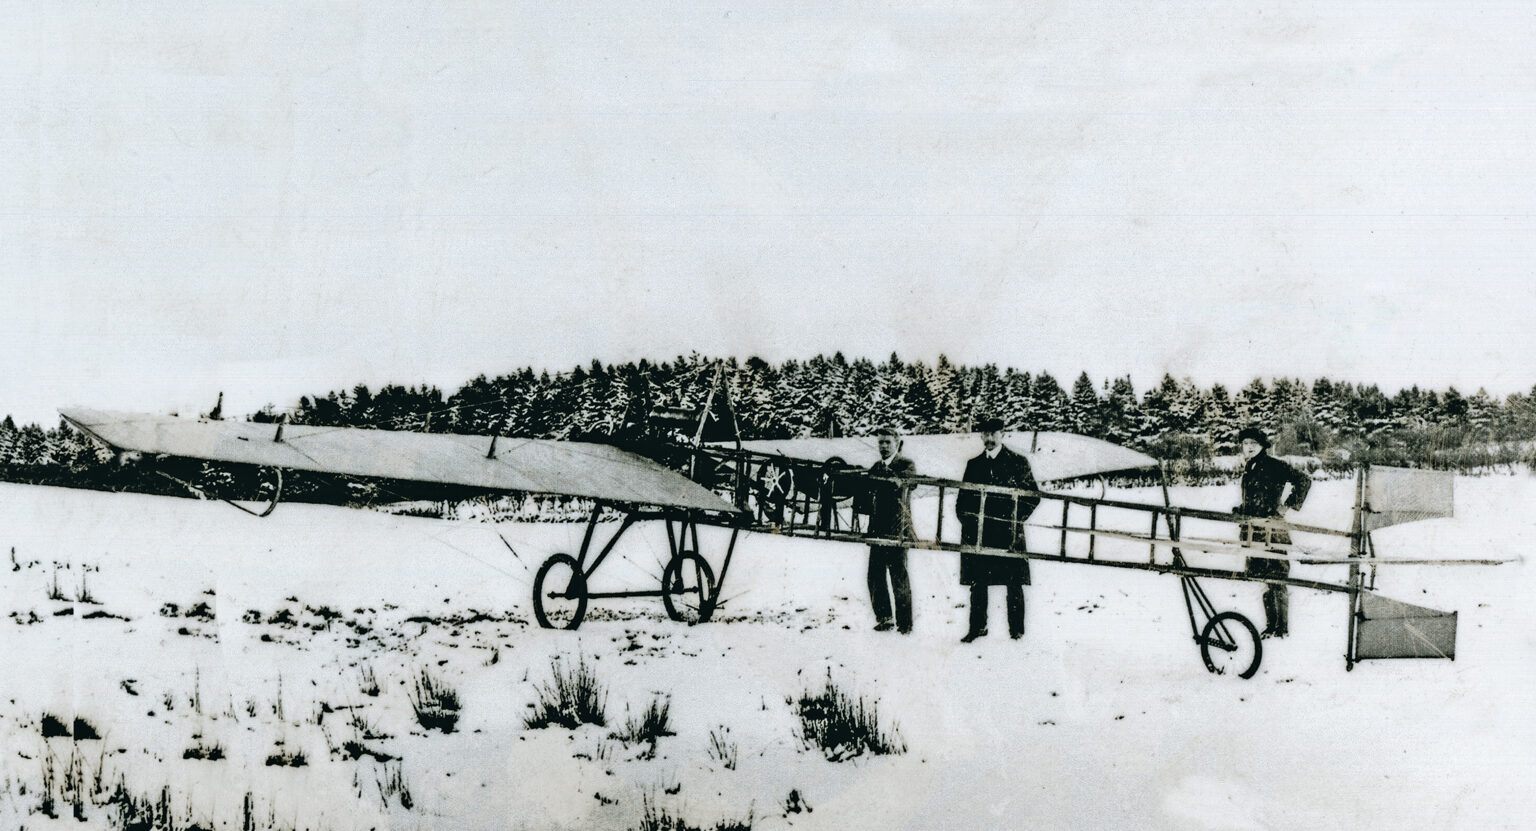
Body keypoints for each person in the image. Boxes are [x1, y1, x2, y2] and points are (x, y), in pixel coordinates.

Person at [955, 418, 1039, 642]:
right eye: (985, 434)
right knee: (978, 582)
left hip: (1008, 533)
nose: (989, 438)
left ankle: (1017, 631)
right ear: (981, 436)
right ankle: (977, 628)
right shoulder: (974, 464)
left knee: (1014, 582)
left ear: (1003, 434)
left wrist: (1014, 520)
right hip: (980, 533)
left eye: (994, 433)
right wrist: (969, 523)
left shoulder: (1018, 462)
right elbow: (963, 500)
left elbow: (1032, 496)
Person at [1233, 426, 1311, 638]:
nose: (1248, 447)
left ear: (1262, 446)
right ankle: (1271, 627)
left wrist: (1286, 506)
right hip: (1255, 531)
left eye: (1253, 443)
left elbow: (1304, 480)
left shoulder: (1273, 465)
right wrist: (1242, 510)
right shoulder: (1250, 467)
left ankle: (1281, 629)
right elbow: (1255, 498)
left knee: (1277, 578)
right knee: (1266, 581)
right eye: (1245, 443)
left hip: (1273, 531)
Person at [861, 428, 916, 633]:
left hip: (897, 528)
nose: (883, 446)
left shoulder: (906, 464)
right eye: (880, 443)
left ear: (897, 443)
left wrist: (887, 475)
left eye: (887, 442)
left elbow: (906, 483)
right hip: (877, 529)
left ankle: (905, 623)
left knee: (898, 576)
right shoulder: (876, 466)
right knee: (874, 575)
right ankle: (884, 618)